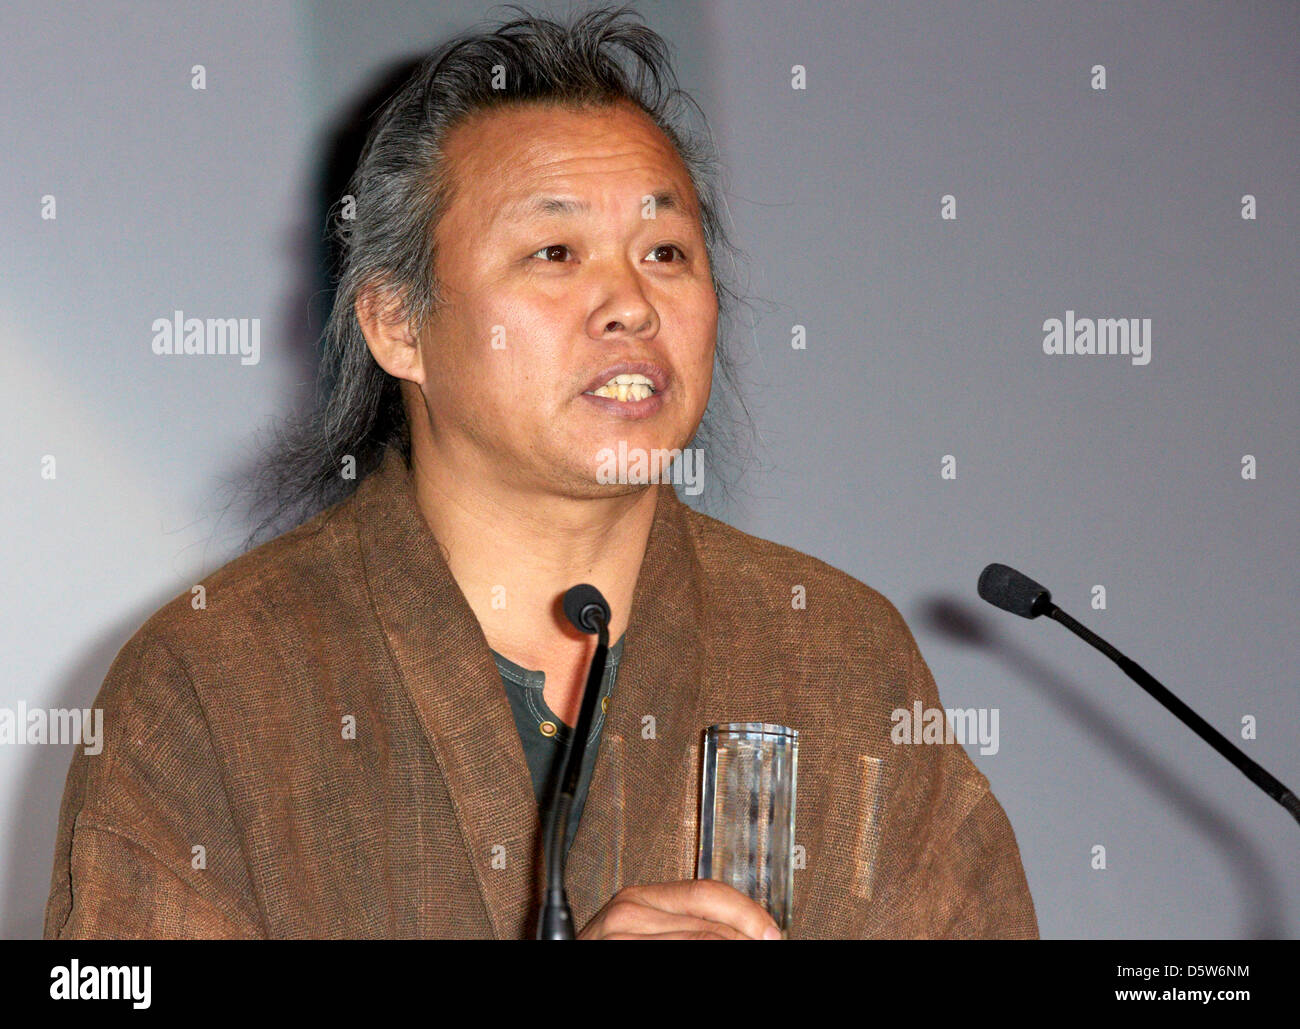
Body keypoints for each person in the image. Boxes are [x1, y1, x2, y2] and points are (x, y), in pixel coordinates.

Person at [44, 6, 1037, 940]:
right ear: (398, 324)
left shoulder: (837, 654)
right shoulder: (219, 676)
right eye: (555, 251)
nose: (630, 306)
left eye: (666, 251)